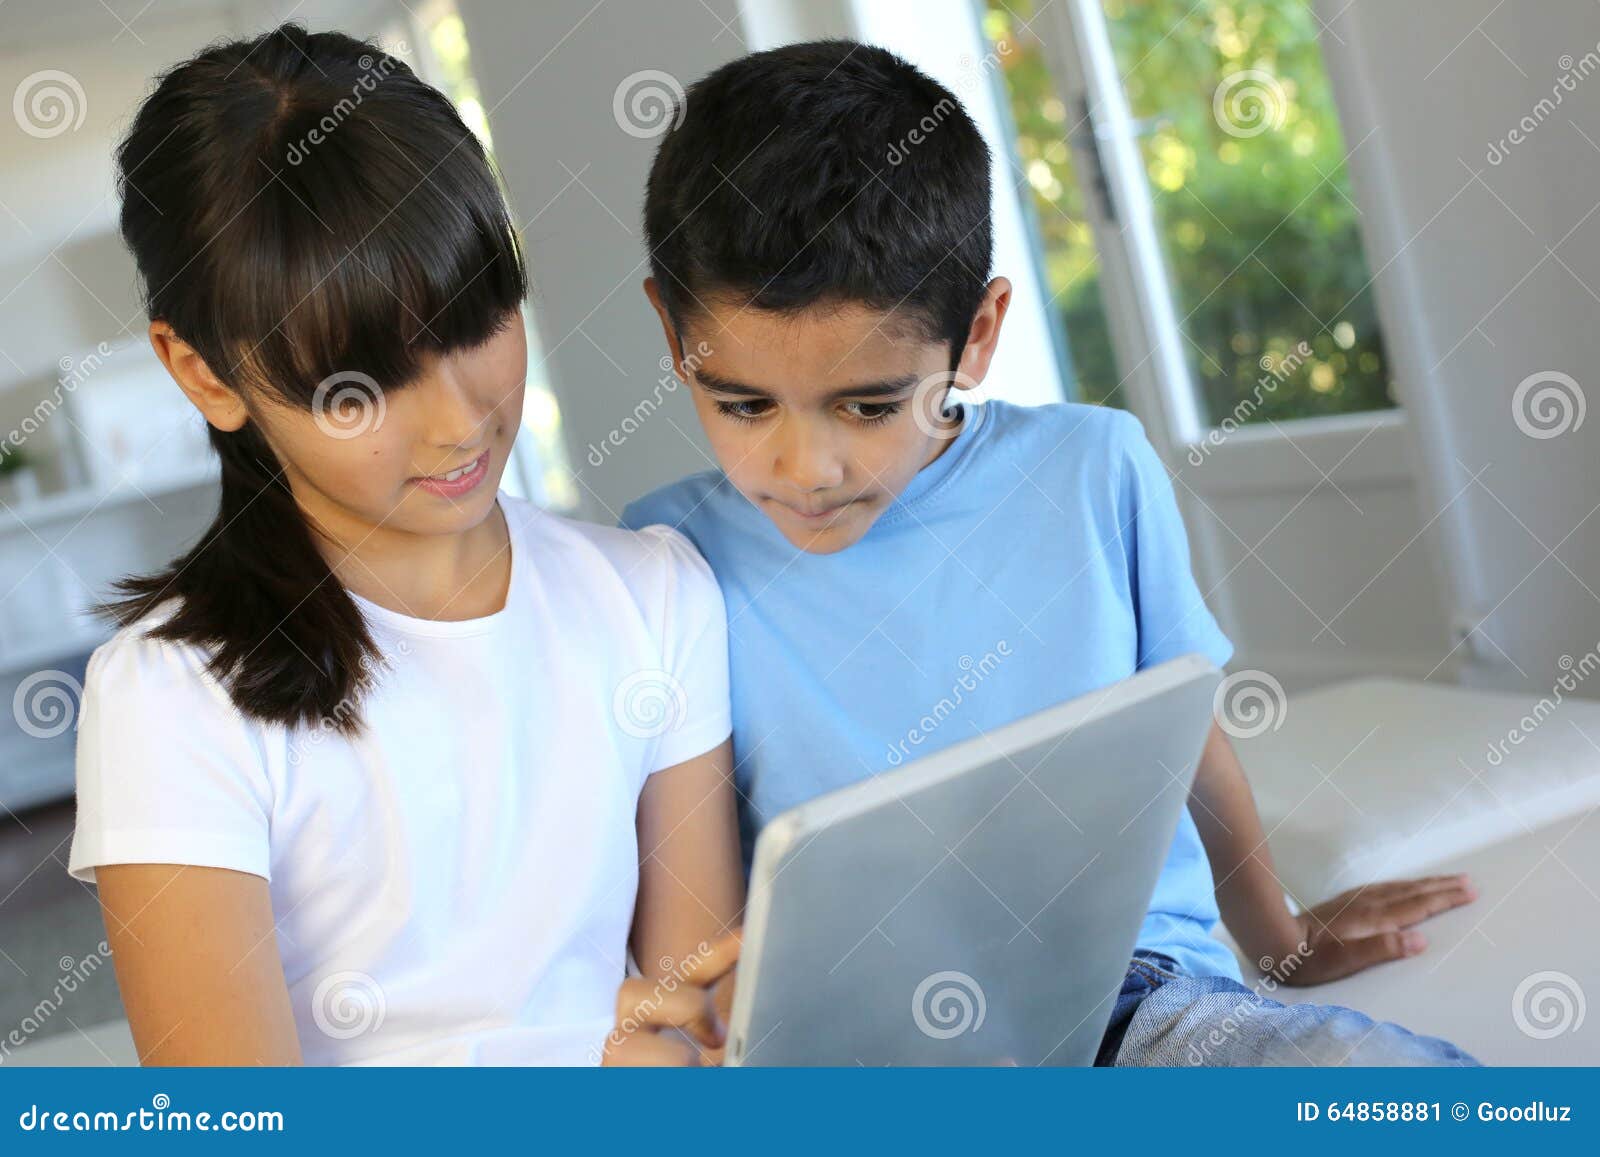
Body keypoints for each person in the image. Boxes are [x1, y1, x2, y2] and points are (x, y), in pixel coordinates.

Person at [622, 40, 1480, 1066]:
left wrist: (1277, 939)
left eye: (870, 403)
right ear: (673, 339)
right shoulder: (666, 560)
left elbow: (1180, 727)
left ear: (976, 335)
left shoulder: (1091, 469)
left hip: (1125, 994)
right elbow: (688, 899)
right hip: (864, 1051)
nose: (806, 466)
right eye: (743, 403)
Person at [68, 23, 739, 1066]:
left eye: (478, 322)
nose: (457, 421)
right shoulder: (170, 696)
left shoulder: (654, 597)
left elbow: (699, 1021)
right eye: (362, 384)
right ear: (204, 374)